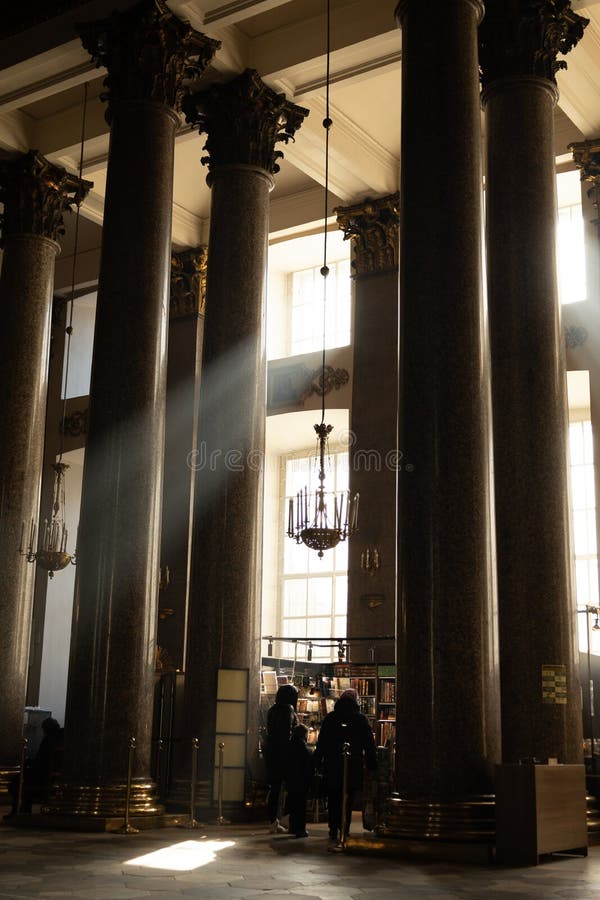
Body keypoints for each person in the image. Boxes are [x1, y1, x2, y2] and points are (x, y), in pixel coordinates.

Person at [313, 688, 377, 841]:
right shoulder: (360, 720)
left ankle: (332, 828)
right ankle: (344, 827)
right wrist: (372, 764)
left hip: (332, 765)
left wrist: (316, 762)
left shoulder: (330, 719)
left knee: (333, 797)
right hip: (352, 766)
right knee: (347, 798)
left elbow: (321, 743)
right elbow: (369, 744)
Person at [5, 717, 64, 818]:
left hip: (42, 776)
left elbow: (40, 762)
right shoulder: (61, 739)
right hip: (53, 776)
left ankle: (21, 809)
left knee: (16, 781)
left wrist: (28, 763)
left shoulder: (48, 740)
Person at [264, 682, 298, 833]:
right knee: (292, 787)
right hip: (286, 755)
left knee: (275, 788)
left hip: (272, 754)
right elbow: (289, 733)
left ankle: (273, 821)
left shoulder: (272, 710)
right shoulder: (289, 710)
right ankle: (288, 818)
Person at [284, 723, 313, 838]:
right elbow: (308, 766)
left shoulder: (289, 747)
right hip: (301, 781)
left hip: (291, 780)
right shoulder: (305, 749)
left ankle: (292, 827)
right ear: (304, 735)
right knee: (300, 805)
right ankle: (300, 829)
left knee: (292, 803)